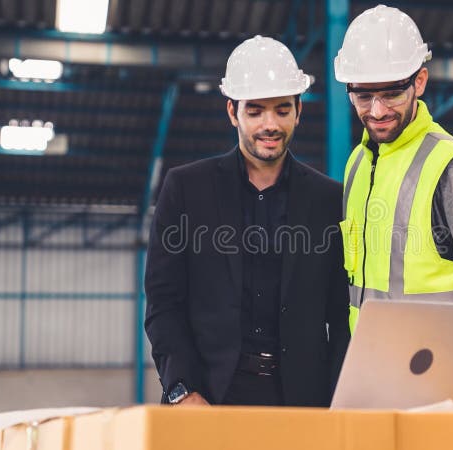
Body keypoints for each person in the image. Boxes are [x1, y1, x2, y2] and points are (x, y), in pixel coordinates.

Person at [145, 35, 350, 407]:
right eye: (255, 111)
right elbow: (163, 302)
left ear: (299, 111)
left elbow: (341, 316)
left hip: (303, 404)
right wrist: (183, 390)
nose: (269, 124)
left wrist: (338, 402)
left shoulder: (329, 201)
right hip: (206, 398)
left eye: (282, 110)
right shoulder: (186, 190)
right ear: (232, 112)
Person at [334, 5, 453, 411]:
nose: (377, 110)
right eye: (363, 95)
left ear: (419, 81)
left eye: (392, 93)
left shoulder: (452, 167)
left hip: (445, 405)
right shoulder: (357, 166)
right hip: (373, 400)